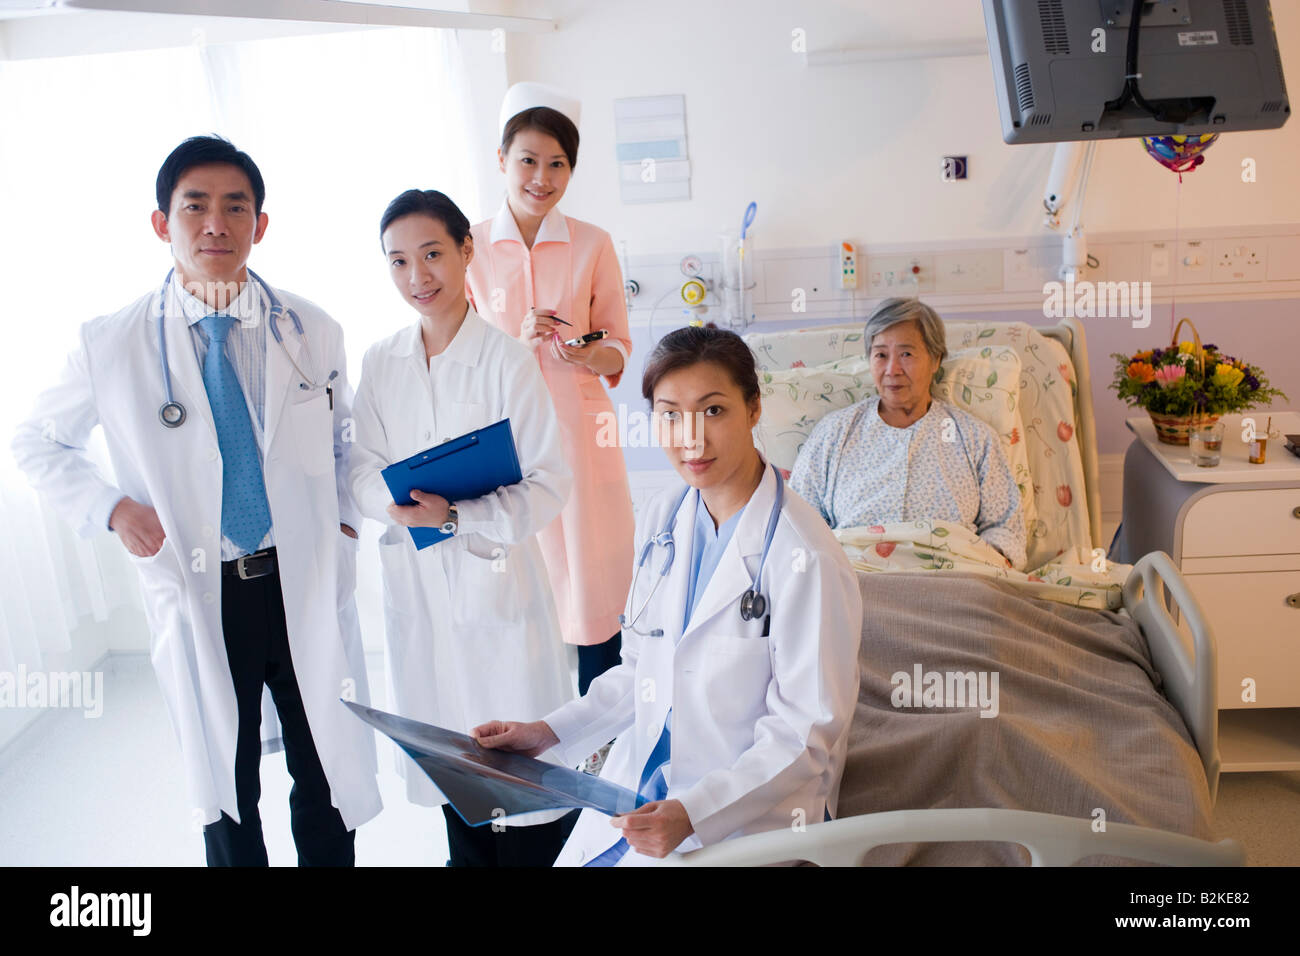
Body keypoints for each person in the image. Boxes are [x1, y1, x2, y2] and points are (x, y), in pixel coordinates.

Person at [11, 135, 380, 865]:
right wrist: (114, 509)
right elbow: (36, 442)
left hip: (301, 583)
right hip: (198, 590)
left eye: (235, 207)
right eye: (196, 207)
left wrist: (340, 523)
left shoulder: (311, 329)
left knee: (326, 777)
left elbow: (345, 443)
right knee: (227, 788)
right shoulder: (110, 344)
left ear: (260, 225)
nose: (216, 224)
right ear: (162, 224)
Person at [473, 325, 863, 865]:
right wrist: (549, 733)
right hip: (642, 790)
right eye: (670, 414)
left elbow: (805, 735)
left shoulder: (805, 556)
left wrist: (694, 812)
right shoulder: (664, 517)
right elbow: (640, 669)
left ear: (753, 409)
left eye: (714, 411)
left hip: (743, 818)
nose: (691, 439)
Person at [348, 188, 575, 867]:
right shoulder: (380, 361)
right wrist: (391, 505)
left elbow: (548, 485)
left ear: (466, 251)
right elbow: (361, 468)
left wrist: (456, 516)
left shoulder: (506, 361)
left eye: (432, 254)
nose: (418, 276)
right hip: (419, 585)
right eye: (398, 262)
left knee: (516, 768)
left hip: (495, 583)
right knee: (449, 757)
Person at [466, 82, 635, 700]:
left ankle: (603, 730)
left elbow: (619, 346)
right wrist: (516, 334)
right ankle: (529, 727)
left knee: (592, 582)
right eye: (528, 161)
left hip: (581, 431)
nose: (542, 177)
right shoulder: (471, 247)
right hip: (505, 435)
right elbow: (463, 351)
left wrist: (591, 351)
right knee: (523, 582)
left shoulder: (593, 243)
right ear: (503, 161)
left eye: (557, 163)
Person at [791, 297, 1027, 569]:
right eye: (881, 355)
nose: (892, 370)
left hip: (953, 583)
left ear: (936, 359)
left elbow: (1006, 529)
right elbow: (798, 524)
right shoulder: (834, 434)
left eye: (906, 354)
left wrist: (988, 571)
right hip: (856, 583)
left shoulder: (974, 438)